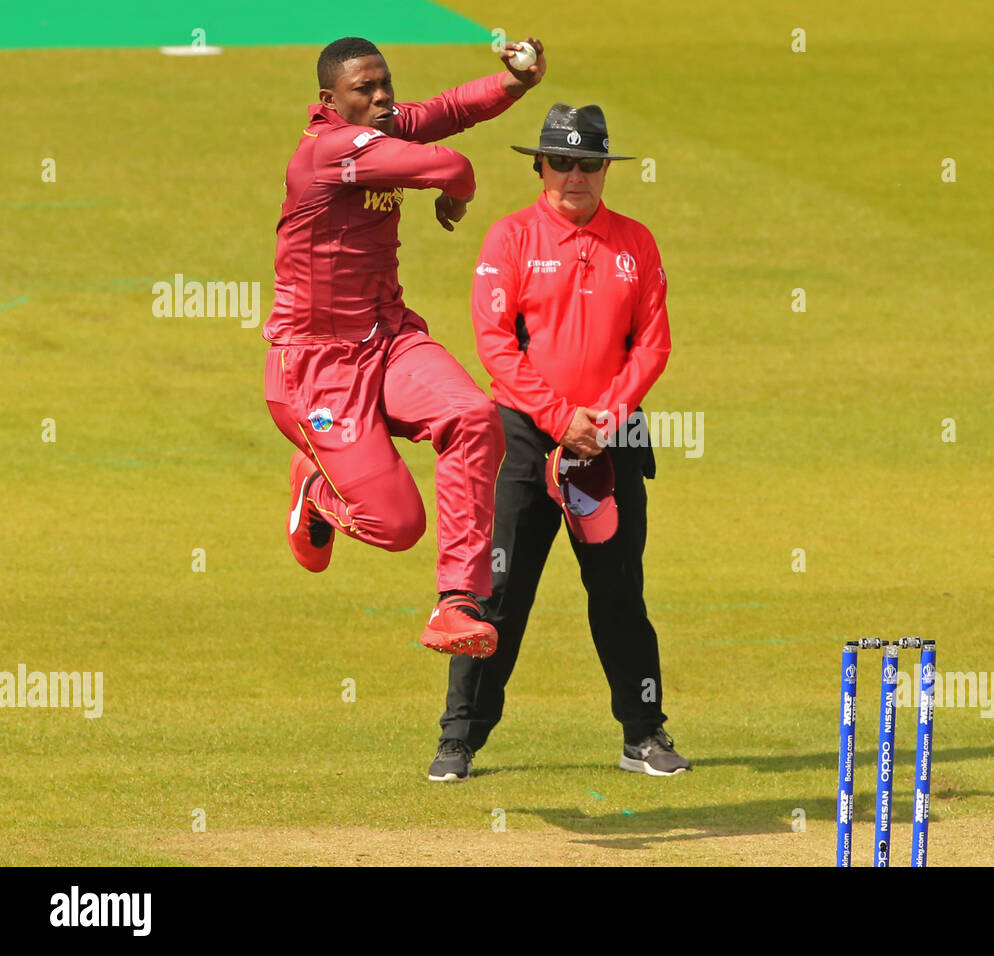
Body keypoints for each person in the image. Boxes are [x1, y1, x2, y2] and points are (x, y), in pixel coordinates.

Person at [430, 103, 690, 781]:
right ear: (540, 166)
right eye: (562, 162)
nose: (576, 176)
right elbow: (495, 343)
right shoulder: (510, 238)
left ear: (606, 169)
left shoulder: (637, 242)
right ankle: (458, 741)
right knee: (499, 595)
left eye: (589, 163)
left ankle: (644, 735)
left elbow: (652, 344)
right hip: (523, 435)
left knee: (619, 593)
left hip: (611, 435)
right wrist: (558, 416)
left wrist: (606, 416)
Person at [264, 36, 545, 659]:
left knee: (474, 417)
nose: (383, 97)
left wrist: (516, 84)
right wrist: (457, 195)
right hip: (314, 368)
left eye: (385, 83)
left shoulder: (381, 127)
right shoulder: (331, 150)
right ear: (328, 100)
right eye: (365, 89)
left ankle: (455, 604)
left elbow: (448, 110)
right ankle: (315, 489)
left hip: (389, 340)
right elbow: (453, 168)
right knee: (397, 528)